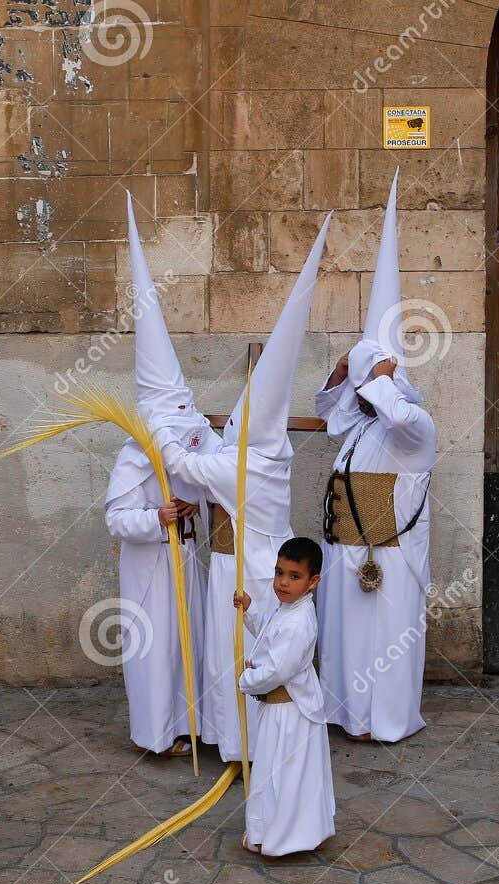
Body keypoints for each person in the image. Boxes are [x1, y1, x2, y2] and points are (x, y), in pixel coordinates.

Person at [154, 213, 331, 763]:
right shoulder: (269, 455)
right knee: (249, 651)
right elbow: (211, 450)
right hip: (260, 562)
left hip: (243, 568)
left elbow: (179, 458)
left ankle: (240, 745)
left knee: (239, 655)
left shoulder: (241, 466)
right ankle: (244, 740)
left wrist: (156, 417)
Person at [315, 171, 435, 744]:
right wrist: (343, 375)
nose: (362, 396)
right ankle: (347, 714)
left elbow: (401, 416)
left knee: (385, 642)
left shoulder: (413, 426)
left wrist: (384, 378)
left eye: (369, 386)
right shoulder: (360, 428)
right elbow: (332, 416)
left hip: (389, 556)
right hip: (346, 549)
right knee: (345, 637)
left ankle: (384, 720)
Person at [102, 193, 214, 756]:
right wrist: (158, 516)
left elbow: (210, 467)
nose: (181, 422)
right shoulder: (133, 454)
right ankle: (156, 732)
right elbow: (117, 519)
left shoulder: (188, 435)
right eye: (169, 413)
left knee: (190, 642)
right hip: (151, 564)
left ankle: (192, 726)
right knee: (154, 648)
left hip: (188, 554)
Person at [232, 537, 335, 856]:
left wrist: (245, 680)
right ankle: (271, 831)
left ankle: (282, 837)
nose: (283, 582)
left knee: (282, 775)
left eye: (294, 576)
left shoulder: (300, 621)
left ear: (313, 581)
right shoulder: (288, 609)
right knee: (274, 773)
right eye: (279, 573)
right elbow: (269, 631)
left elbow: (277, 669)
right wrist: (249, 611)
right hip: (279, 711)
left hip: (290, 715)